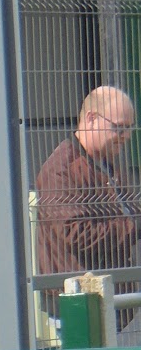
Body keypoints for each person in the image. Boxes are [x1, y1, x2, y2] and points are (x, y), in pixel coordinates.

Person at [35, 84, 141, 309]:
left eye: (130, 129)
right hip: (78, 304)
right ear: (92, 118)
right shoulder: (60, 171)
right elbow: (76, 234)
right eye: (119, 128)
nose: (125, 137)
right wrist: (133, 226)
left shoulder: (105, 167)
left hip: (106, 298)